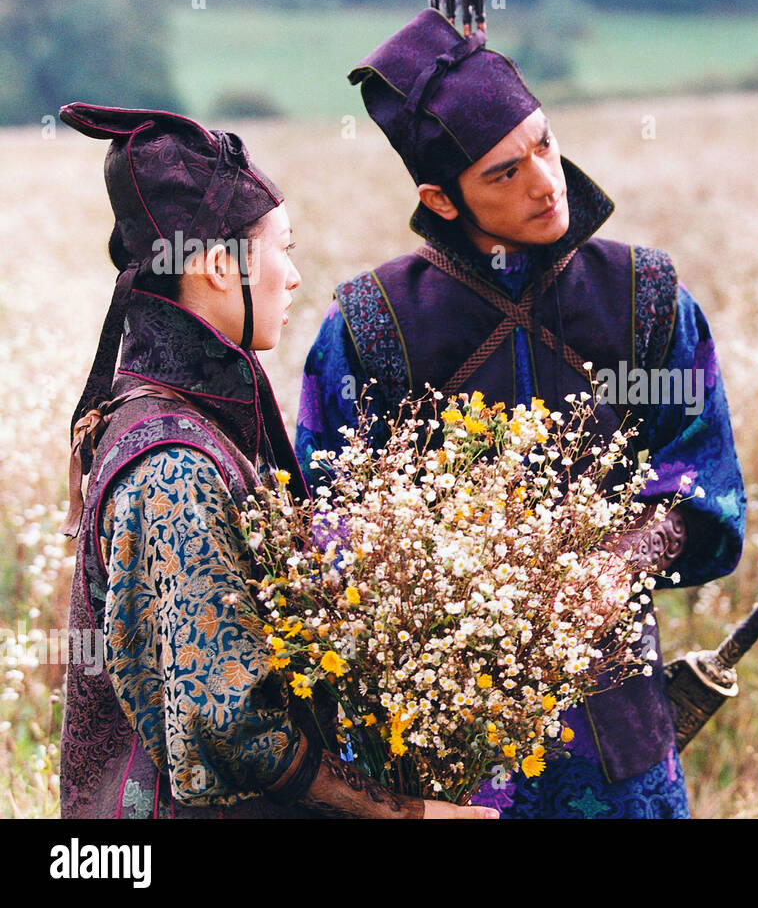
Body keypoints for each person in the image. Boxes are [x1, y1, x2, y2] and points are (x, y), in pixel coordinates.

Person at [295, 9, 746, 818]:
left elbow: (702, 480)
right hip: (437, 751)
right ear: (440, 197)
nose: (545, 179)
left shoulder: (644, 297)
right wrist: (440, 584)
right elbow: (325, 521)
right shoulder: (370, 327)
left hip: (618, 740)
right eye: (503, 172)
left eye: (545, 142)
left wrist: (620, 559)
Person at [57, 103, 496, 819]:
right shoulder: (174, 464)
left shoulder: (185, 413)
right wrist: (405, 812)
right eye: (280, 249)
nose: (293, 277)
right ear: (211, 265)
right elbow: (233, 729)